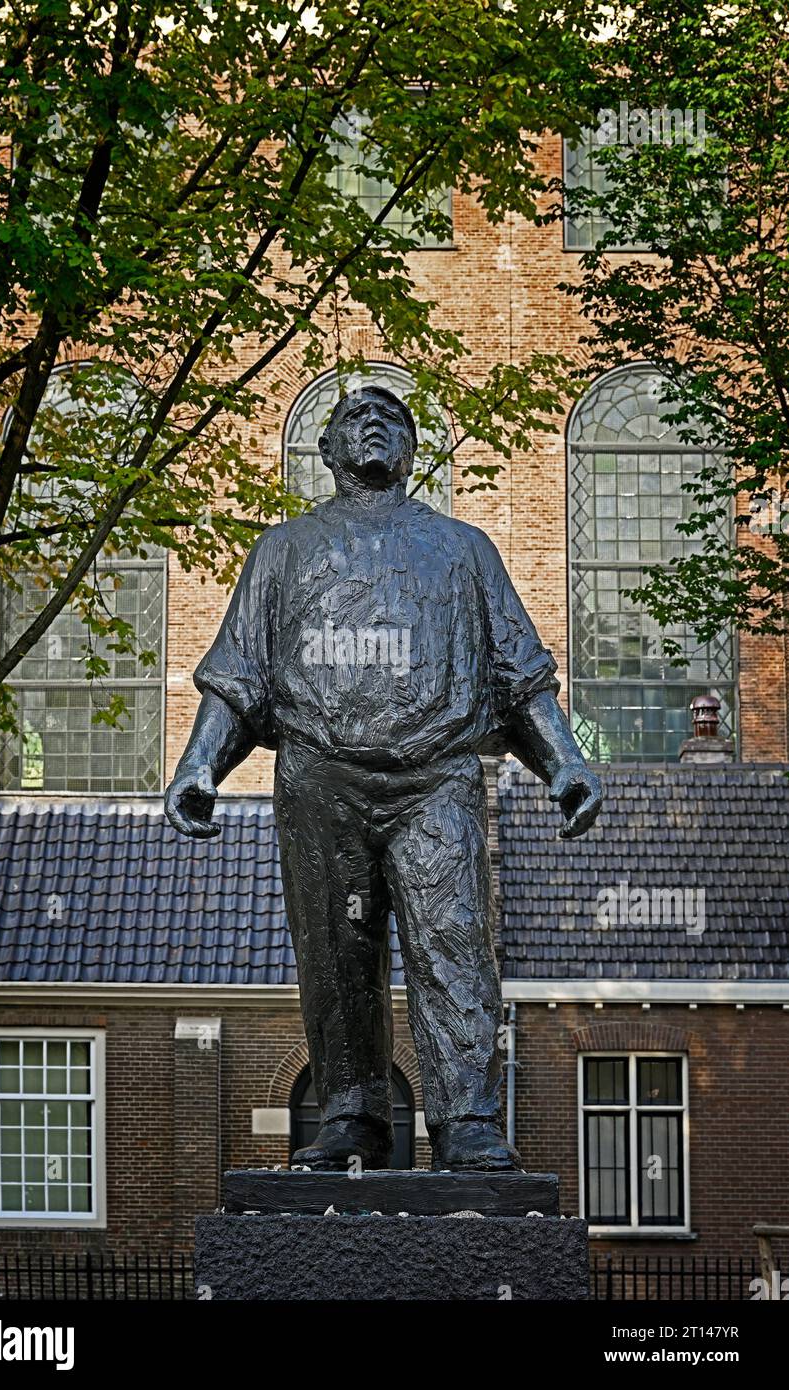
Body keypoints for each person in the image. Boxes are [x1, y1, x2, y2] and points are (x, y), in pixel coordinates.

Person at [165, 385, 602, 1171]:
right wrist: (201, 763)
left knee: (454, 943)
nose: (374, 424)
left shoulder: (465, 552)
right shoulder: (280, 553)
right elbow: (236, 678)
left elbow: (521, 674)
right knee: (335, 954)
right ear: (327, 452)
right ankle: (350, 1113)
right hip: (319, 778)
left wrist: (563, 762)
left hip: (434, 778)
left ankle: (467, 1119)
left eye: (394, 419)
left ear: (410, 455)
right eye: (354, 419)